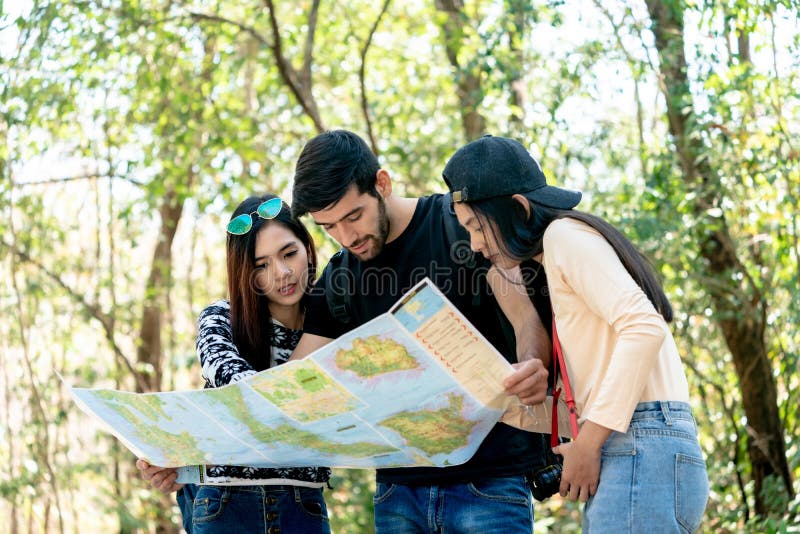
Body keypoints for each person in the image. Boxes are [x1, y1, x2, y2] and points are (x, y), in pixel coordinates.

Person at [288, 130, 553, 533]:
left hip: (489, 485)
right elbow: (294, 378)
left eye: (353, 216)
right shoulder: (339, 278)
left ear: (382, 183)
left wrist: (533, 366)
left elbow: (525, 319)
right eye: (329, 227)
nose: (347, 237)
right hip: (398, 494)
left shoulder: (461, 224)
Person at [442, 134, 710, 532]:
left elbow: (644, 327)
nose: (475, 244)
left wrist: (589, 444)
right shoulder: (559, 252)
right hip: (647, 444)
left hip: (639, 442)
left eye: (476, 227)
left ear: (518, 208)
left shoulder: (563, 236)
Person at [137, 194, 332, 533]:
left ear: (307, 247)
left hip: (304, 504)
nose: (282, 273)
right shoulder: (220, 319)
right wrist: (168, 464)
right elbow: (236, 388)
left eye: (289, 254)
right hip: (227, 504)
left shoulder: (335, 318)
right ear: (245, 271)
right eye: (261, 265)